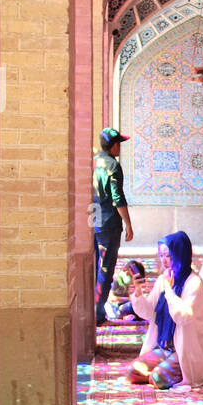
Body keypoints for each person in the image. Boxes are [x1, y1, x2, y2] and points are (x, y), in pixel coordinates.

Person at [128, 232, 203, 392]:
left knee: (157, 378)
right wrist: (138, 291)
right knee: (133, 372)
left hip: (187, 349)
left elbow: (183, 317)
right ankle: (161, 369)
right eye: (161, 255)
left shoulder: (194, 283)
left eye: (168, 255)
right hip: (164, 348)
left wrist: (168, 289)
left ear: (180, 254)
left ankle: (171, 372)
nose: (164, 260)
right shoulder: (164, 279)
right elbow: (149, 313)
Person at [93, 127, 134, 326]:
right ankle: (98, 314)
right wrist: (128, 224)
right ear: (114, 145)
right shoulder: (113, 166)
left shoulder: (92, 162)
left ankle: (92, 310)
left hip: (92, 221)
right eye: (119, 144)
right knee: (105, 269)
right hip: (109, 223)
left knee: (93, 267)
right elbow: (118, 198)